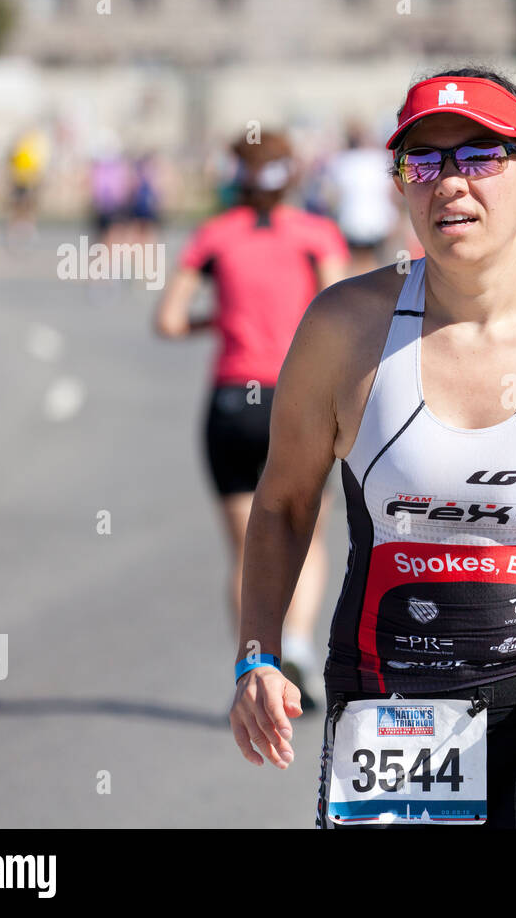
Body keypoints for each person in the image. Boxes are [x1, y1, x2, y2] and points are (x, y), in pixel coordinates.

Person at [225, 67, 516, 829]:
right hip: (389, 705)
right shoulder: (343, 329)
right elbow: (281, 506)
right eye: (424, 162)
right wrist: (258, 655)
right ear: (400, 186)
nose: (450, 183)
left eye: (480, 157)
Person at [154, 131, 350, 709]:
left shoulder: (213, 237)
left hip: (230, 406)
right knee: (307, 537)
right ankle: (296, 645)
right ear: (292, 176)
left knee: (246, 552)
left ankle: (254, 670)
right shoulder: (317, 235)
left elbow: (167, 321)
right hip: (296, 402)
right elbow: (339, 320)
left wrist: (223, 323)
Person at [323, 120, 402, 277]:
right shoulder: (378, 158)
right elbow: (392, 193)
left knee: (356, 265)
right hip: (378, 220)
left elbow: (330, 195)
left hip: (350, 220)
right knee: (375, 264)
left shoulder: (340, 161)